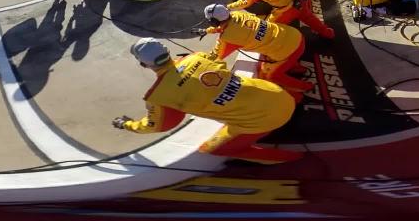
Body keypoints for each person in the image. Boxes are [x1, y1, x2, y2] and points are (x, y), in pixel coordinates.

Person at [112, 38, 301, 164]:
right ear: (168, 51)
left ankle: (292, 160)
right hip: (280, 94)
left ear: (144, 64)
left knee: (211, 149)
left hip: (267, 120)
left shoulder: (158, 96)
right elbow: (216, 59)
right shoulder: (196, 56)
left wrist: (127, 124)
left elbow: (158, 126)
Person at [202, 4, 312, 94]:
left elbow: (215, 57)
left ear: (214, 22)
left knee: (271, 75)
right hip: (296, 36)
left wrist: (195, 58)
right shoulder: (237, 14)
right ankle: (298, 69)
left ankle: (306, 87)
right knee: (273, 55)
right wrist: (208, 31)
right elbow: (232, 27)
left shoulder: (227, 39)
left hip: (290, 51)